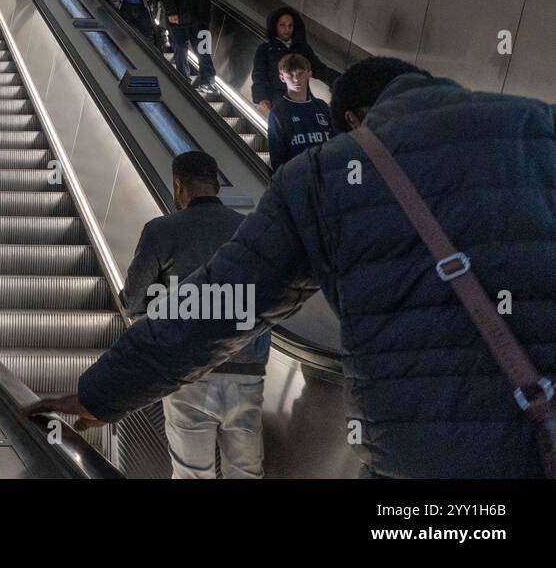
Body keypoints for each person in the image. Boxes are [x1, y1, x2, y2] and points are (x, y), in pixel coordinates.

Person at [31, 57, 556, 478]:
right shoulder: (538, 126)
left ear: (352, 120)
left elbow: (219, 304)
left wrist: (101, 393)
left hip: (425, 460)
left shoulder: (325, 175)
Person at [120, 151, 269, 478]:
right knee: (246, 474)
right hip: (247, 371)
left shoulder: (160, 232)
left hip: (188, 374)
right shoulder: (252, 230)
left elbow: (132, 301)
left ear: (178, 186)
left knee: (192, 474)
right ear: (216, 184)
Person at [251, 6, 341, 116]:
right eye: (282, 25)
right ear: (275, 26)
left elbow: (319, 69)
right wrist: (261, 98)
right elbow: (258, 75)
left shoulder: (302, 48)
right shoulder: (265, 49)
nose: (287, 29)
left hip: (303, 97)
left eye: (290, 26)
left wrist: (343, 80)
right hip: (278, 98)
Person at [159, 0, 215, 92]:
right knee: (180, 49)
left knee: (204, 50)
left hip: (198, 19)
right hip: (178, 19)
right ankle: (183, 79)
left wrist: (206, 17)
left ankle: (208, 81)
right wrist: (171, 13)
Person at [268, 53, 334, 174]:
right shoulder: (278, 112)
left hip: (326, 177)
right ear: (282, 78)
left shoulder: (321, 106)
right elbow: (277, 157)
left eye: (300, 74)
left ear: (309, 74)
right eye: (290, 75)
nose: (296, 79)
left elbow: (334, 141)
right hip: (298, 180)